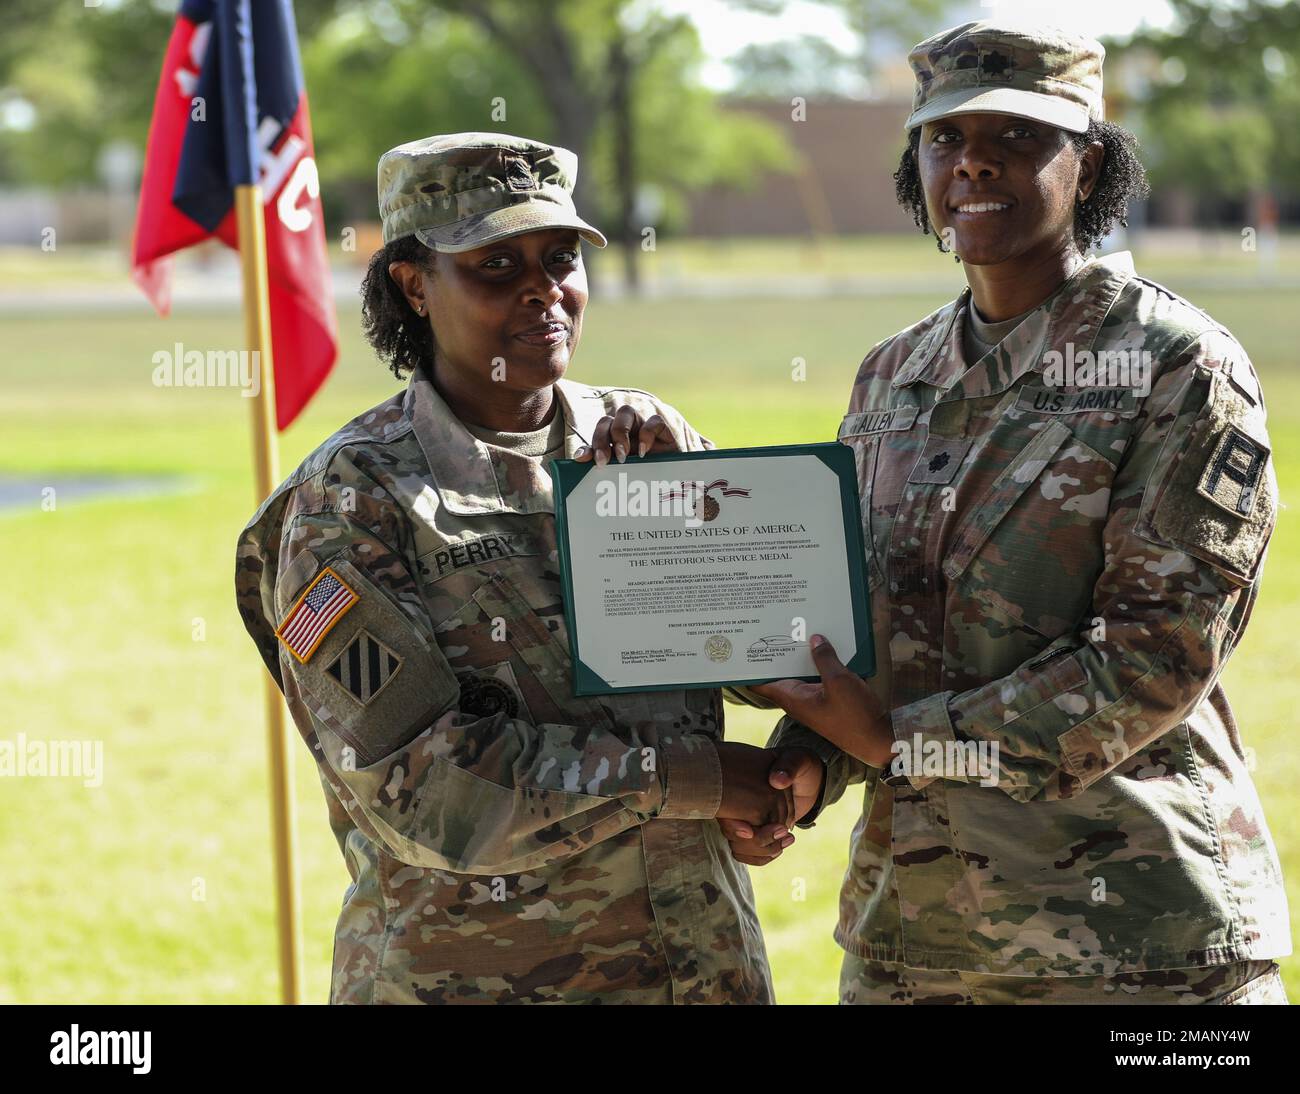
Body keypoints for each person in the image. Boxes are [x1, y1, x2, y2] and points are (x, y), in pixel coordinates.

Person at [724, 22, 1289, 1003]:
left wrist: (903, 743)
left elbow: (1154, 657)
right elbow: (870, 633)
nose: (974, 158)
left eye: (1020, 136)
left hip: (1134, 956)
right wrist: (808, 759)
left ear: (1092, 159)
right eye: (945, 137)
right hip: (913, 944)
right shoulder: (890, 374)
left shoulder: (1176, 366)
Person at [234, 133, 799, 1004]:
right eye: (496, 265)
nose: (544, 290)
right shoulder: (352, 498)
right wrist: (689, 780)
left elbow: (792, 649)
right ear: (414, 284)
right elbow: (430, 792)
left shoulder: (642, 437)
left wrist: (796, 775)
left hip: (699, 972)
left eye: (561, 258)